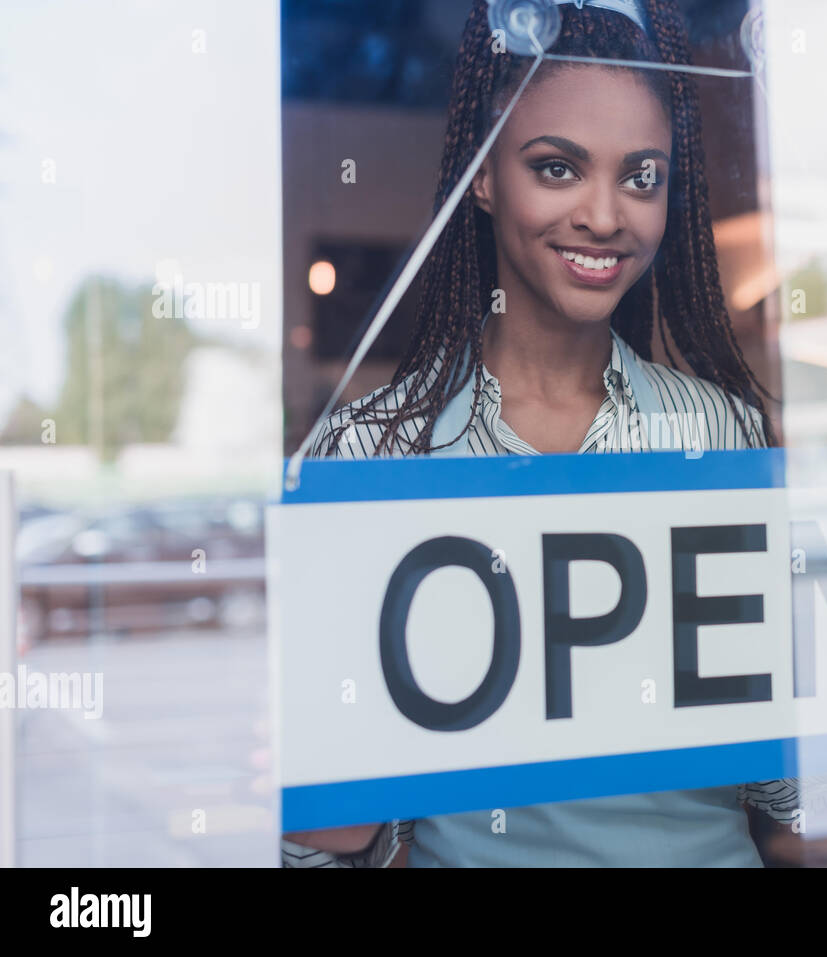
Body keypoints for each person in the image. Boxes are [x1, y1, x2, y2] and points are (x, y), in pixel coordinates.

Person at [281, 0, 799, 867]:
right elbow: (327, 846)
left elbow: (782, 797)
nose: (605, 215)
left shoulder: (723, 432)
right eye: (557, 168)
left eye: (642, 177)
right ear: (484, 177)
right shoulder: (373, 451)